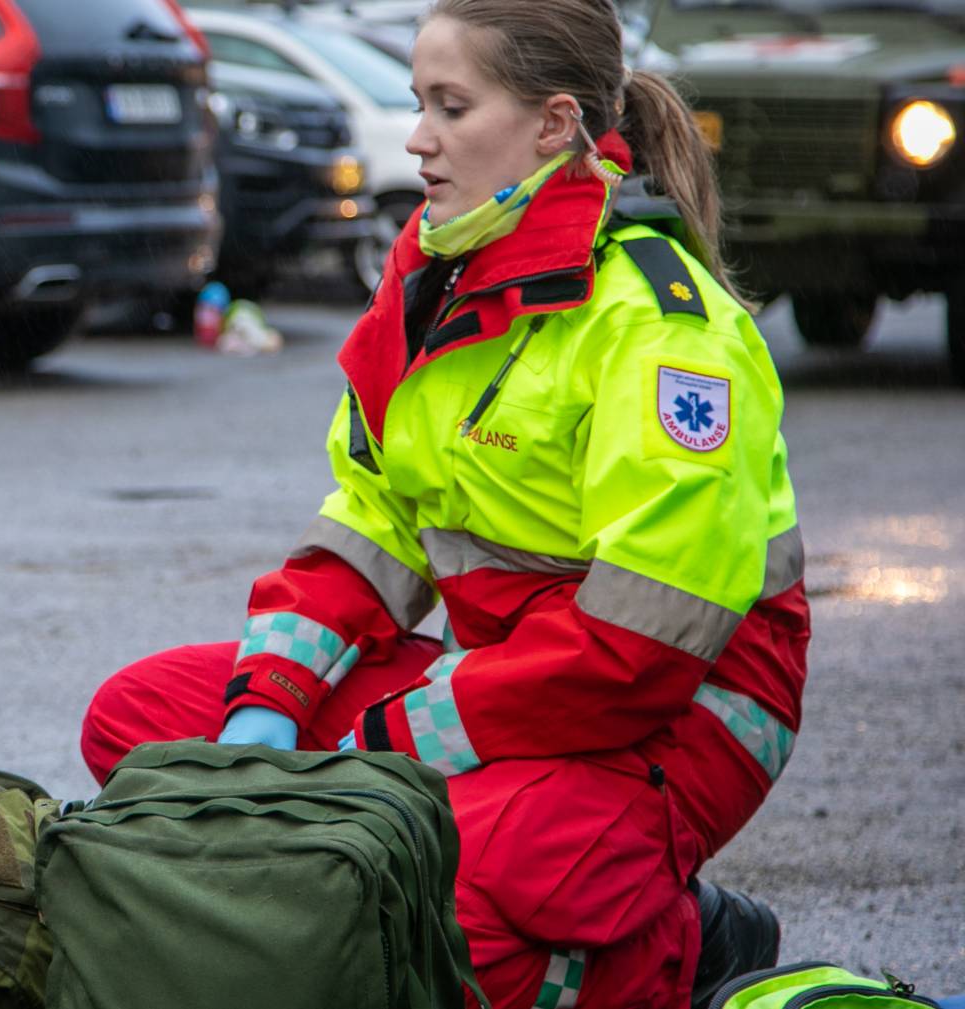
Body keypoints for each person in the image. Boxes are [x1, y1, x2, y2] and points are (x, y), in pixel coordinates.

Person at [80, 0, 807, 1006]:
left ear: (552, 125)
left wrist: (380, 743)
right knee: (144, 724)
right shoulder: (431, 280)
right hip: (505, 687)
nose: (417, 137)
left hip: (673, 713)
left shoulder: (660, 327)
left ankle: (680, 943)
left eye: (448, 107)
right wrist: (268, 710)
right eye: (419, 102)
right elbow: (368, 524)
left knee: (447, 890)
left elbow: (638, 651)